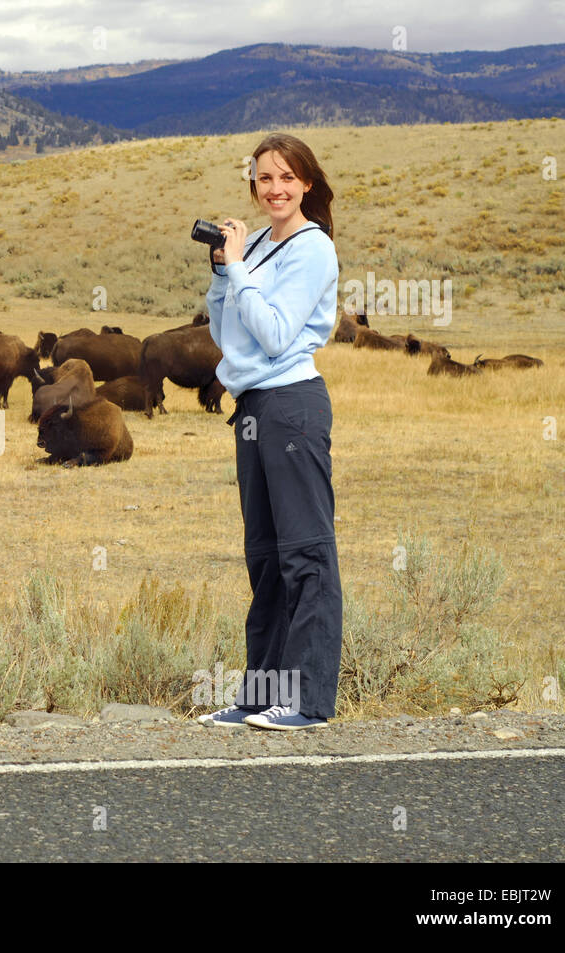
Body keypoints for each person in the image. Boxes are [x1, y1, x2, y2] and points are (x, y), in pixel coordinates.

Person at [196, 133, 342, 731]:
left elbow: (277, 334)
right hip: (253, 405)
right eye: (264, 179)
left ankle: (307, 703)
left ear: (307, 183)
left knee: (305, 552)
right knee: (264, 556)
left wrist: (239, 275)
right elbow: (224, 325)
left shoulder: (314, 250)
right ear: (252, 186)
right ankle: (261, 697)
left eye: (287, 177)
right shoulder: (254, 243)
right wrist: (221, 272)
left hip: (292, 405)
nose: (275, 189)